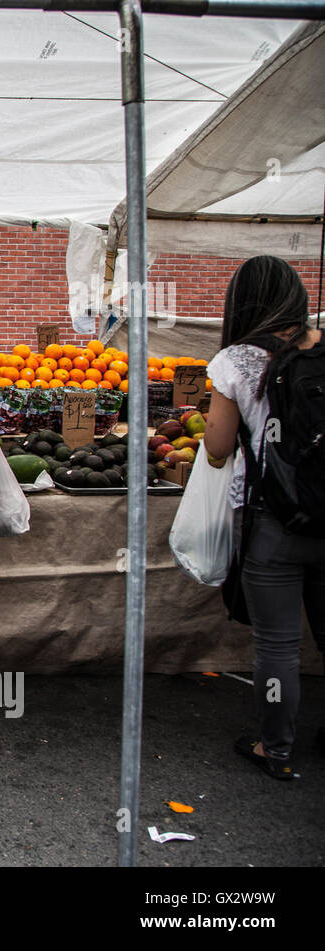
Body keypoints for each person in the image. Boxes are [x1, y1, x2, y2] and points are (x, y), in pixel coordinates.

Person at [202, 255, 324, 780]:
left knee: (278, 642)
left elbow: (216, 449)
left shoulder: (236, 360)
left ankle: (274, 750)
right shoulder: (322, 345)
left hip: (274, 518)